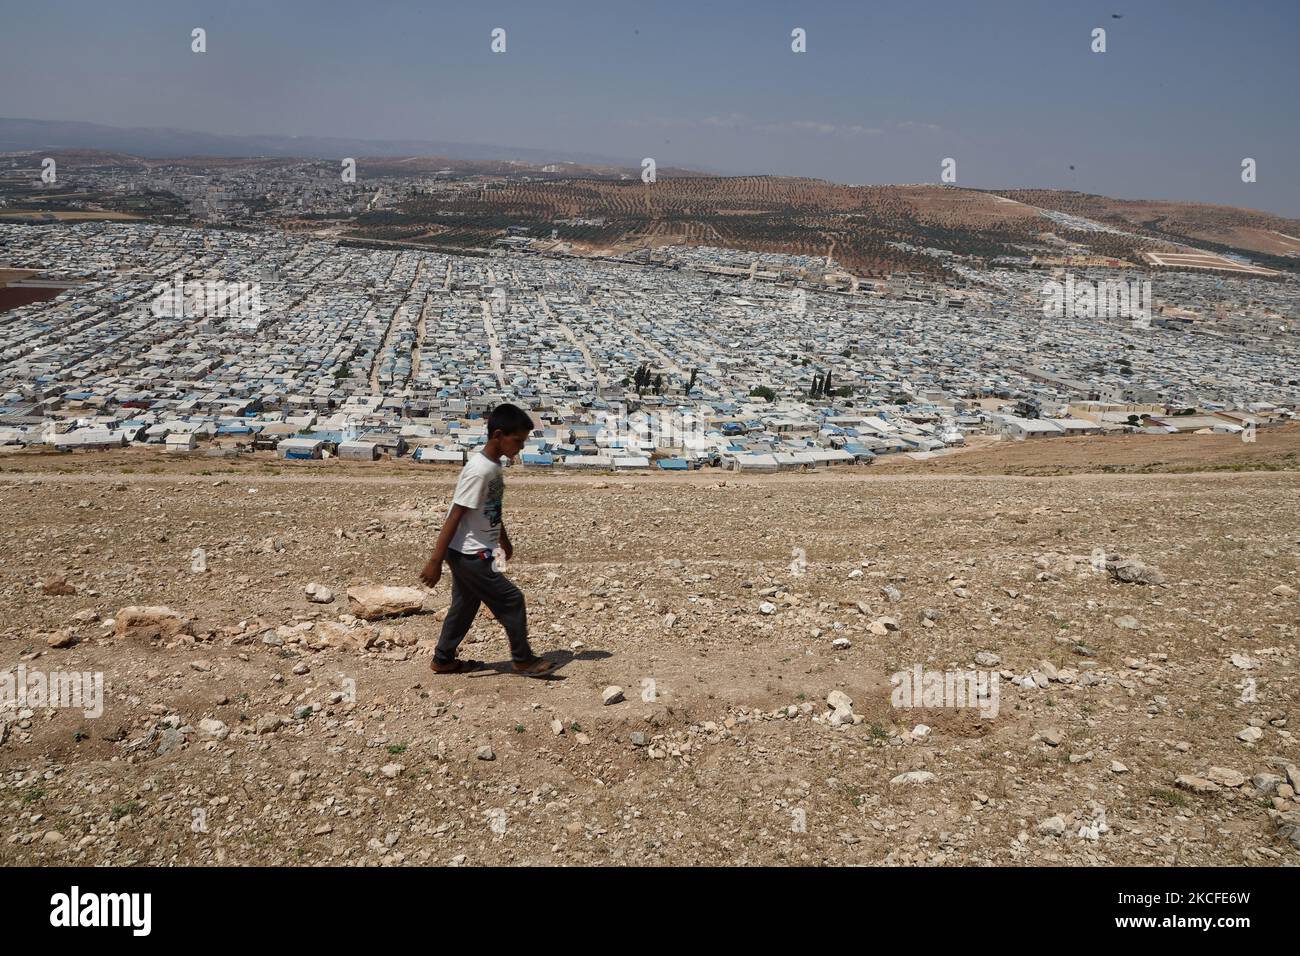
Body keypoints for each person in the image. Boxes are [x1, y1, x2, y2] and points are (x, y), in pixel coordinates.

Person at [419, 403, 557, 676]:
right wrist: (435, 561)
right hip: (470, 555)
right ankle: (523, 659)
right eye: (517, 440)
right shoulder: (479, 470)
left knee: (465, 606)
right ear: (497, 435)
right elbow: (455, 515)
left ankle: (443, 659)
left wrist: (503, 541)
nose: (520, 447)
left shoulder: (493, 467)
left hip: (473, 550)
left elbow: (490, 507)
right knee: (512, 600)